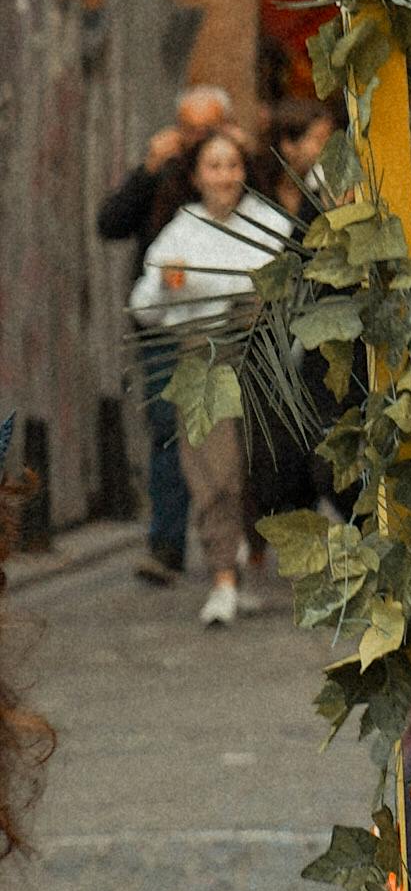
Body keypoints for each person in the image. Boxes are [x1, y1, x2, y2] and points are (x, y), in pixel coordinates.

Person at [129, 128, 293, 631]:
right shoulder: (180, 231)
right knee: (212, 470)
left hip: (261, 361)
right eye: (214, 166)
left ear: (245, 172)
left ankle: (248, 553)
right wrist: (166, 283)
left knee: (259, 469)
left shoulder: (270, 224)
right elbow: (143, 307)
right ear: (197, 177)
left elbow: (287, 292)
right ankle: (222, 576)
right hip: (200, 360)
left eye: (233, 165)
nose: (225, 176)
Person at [98, 87, 234, 583]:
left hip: (225, 326)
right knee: (167, 430)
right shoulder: (164, 174)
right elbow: (110, 224)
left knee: (229, 435)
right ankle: (167, 544)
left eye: (208, 129)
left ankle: (234, 542)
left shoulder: (233, 168)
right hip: (161, 326)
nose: (197, 139)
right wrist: (147, 169)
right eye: (189, 128)